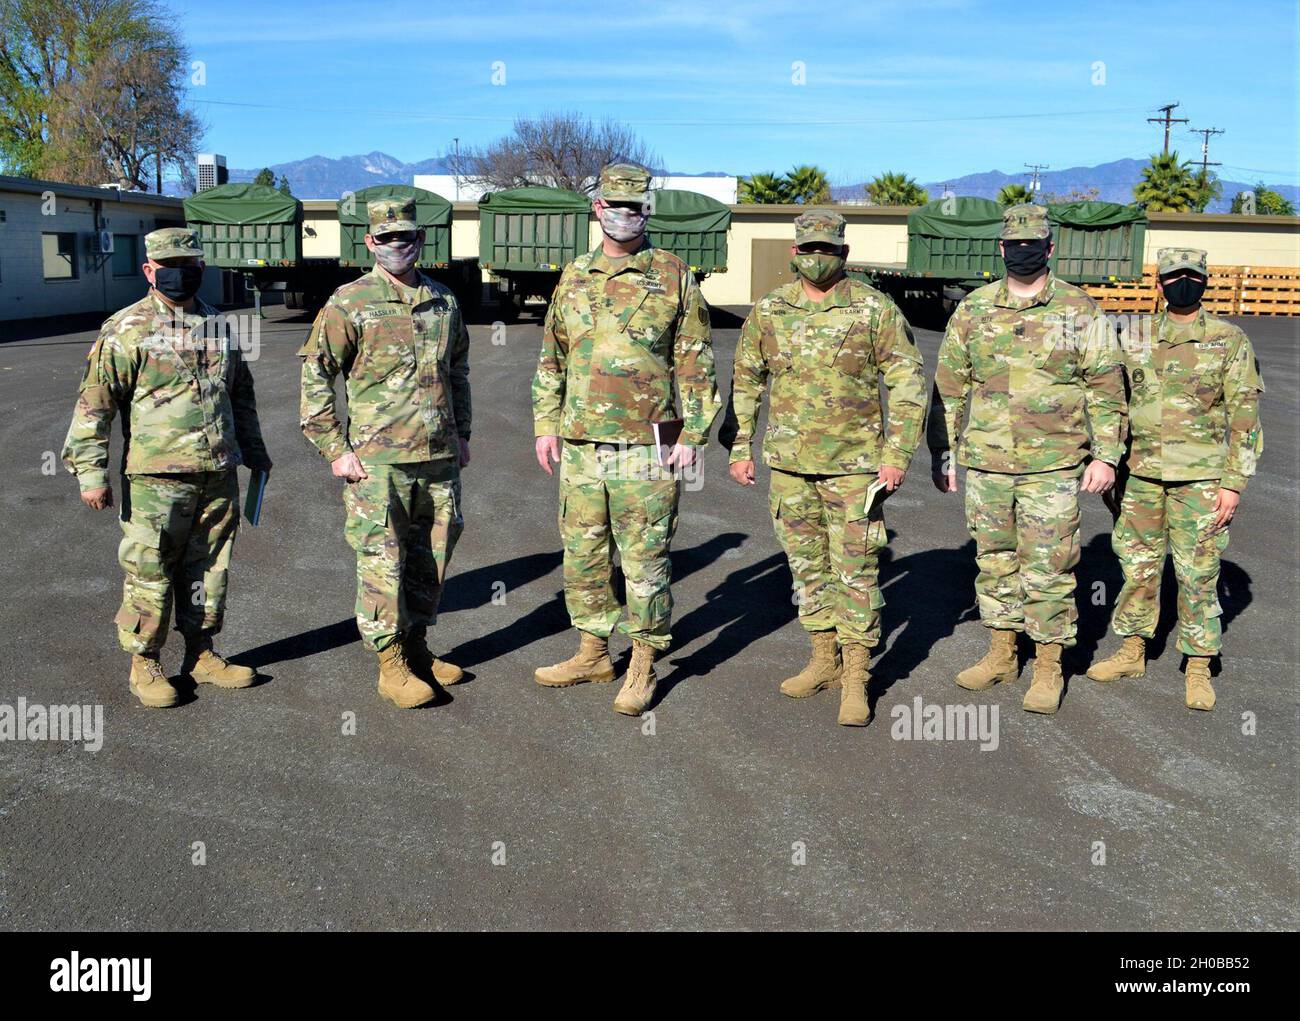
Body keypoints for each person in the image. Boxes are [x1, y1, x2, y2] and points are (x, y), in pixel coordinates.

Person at [531, 163, 720, 717]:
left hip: (647, 445)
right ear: (597, 209)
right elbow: (552, 357)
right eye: (615, 205)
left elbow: (696, 362)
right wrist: (546, 424)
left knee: (644, 559)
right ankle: (592, 651)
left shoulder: (673, 274)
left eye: (636, 206)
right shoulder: (573, 275)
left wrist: (694, 432)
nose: (625, 215)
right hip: (583, 442)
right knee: (584, 554)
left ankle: (642, 660)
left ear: (647, 212)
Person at [727, 210, 926, 726]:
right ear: (795, 253)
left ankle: (857, 676)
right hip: (790, 466)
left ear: (845, 252)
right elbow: (747, 380)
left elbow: (907, 385)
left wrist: (896, 455)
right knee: (807, 567)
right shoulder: (769, 311)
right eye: (810, 249)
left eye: (829, 250)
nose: (819, 258)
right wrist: (741, 445)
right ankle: (823, 659)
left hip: (855, 468)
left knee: (856, 571)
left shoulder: (873, 309)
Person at [929, 203, 1127, 714]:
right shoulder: (973, 309)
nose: (1023, 253)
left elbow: (1107, 388)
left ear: (1050, 249)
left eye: (1032, 245)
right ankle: (1001, 653)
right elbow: (949, 388)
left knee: (1049, 567)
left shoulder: (1079, 310)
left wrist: (1106, 457)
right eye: (1014, 245)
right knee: (994, 562)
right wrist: (944, 453)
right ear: (1001, 248)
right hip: (989, 464)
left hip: (1054, 465)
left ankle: (1047, 667)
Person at [62, 227, 271, 708]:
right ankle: (145, 661)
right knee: (149, 569)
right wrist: (90, 473)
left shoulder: (218, 324)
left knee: (209, 568)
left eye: (192, 264)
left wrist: (255, 454)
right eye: (171, 265)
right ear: (150, 270)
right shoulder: (126, 328)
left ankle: (201, 652)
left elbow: (241, 395)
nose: (183, 273)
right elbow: (95, 405)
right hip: (156, 478)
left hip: (217, 473)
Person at [299, 196, 470, 709]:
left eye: (408, 236)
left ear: (421, 241)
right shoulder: (348, 302)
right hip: (377, 462)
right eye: (388, 237)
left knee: (431, 557)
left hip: (438, 457)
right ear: (370, 242)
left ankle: (417, 646)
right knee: (382, 560)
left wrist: (463, 434)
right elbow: (316, 374)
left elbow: (456, 371)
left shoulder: (443, 301)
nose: (400, 245)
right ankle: (390, 661)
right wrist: (334, 447)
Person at [1087, 248, 1264, 710]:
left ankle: (1200, 664)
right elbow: (1112, 403)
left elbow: (1244, 417)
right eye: (1173, 276)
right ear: (1159, 284)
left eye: (1192, 275)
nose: (1183, 282)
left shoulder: (1229, 340)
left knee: (1198, 572)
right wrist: (1107, 459)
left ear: (1205, 281)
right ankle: (1132, 650)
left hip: (1201, 479)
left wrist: (1233, 483)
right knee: (1137, 567)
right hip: (1140, 475)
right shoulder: (1135, 336)